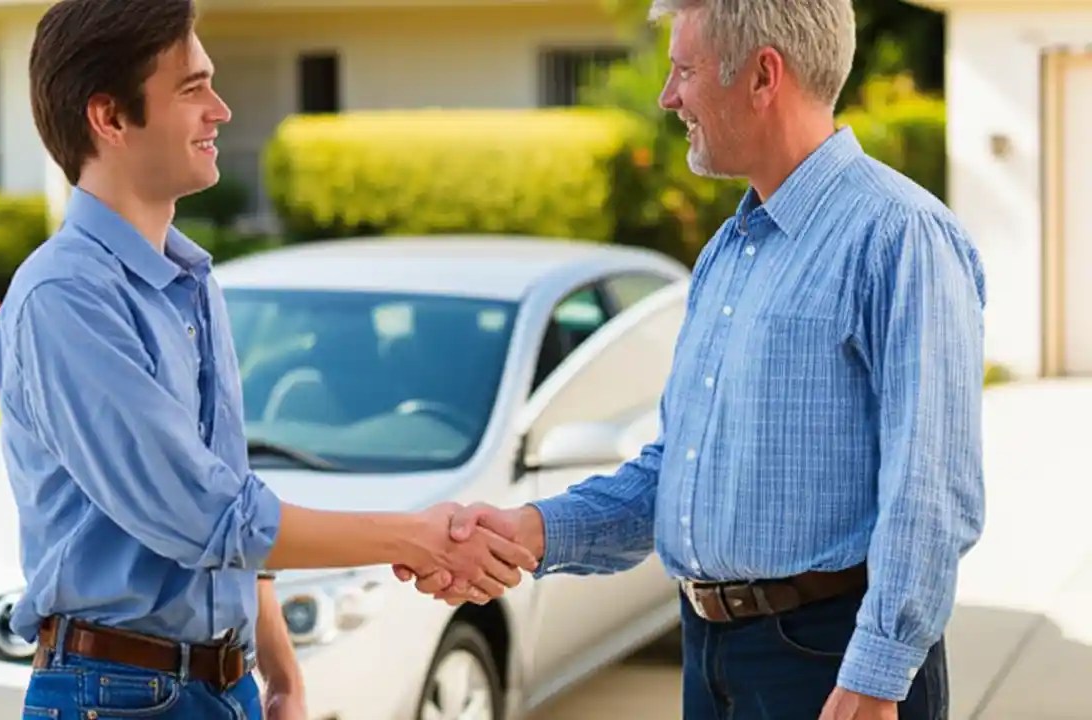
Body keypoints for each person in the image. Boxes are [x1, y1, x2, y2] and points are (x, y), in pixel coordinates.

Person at [398, 1, 987, 718]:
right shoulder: (727, 253)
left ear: (763, 76)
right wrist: (533, 532)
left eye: (684, 70)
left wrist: (877, 675)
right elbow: (678, 469)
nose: (667, 96)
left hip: (833, 665)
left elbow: (932, 489)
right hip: (711, 655)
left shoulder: (902, 237)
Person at [0, 1, 537, 718]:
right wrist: (417, 537)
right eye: (191, 89)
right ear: (110, 118)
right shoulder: (66, 297)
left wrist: (278, 669)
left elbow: (230, 488)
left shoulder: (190, 282)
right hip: (115, 697)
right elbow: (201, 514)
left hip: (221, 685)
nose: (219, 109)